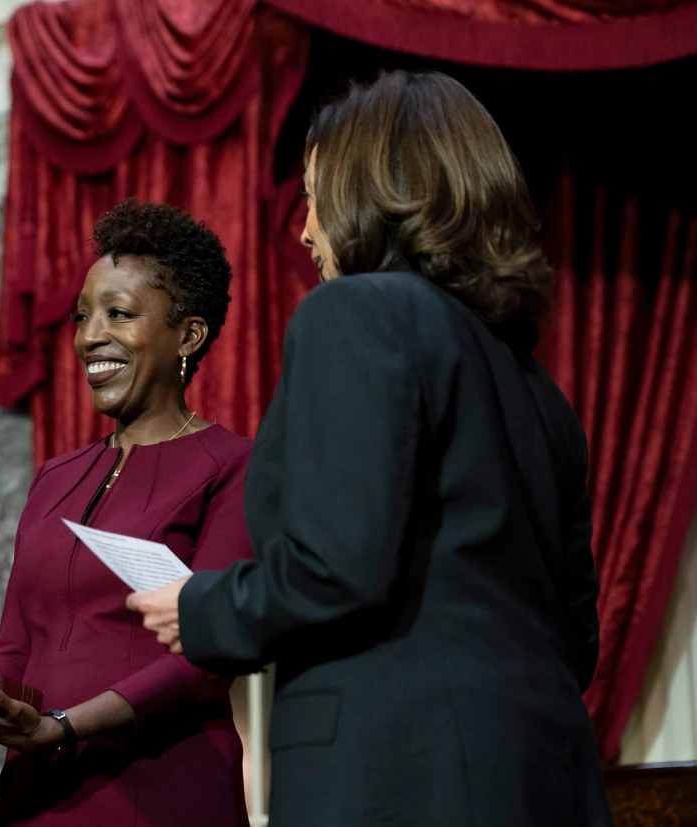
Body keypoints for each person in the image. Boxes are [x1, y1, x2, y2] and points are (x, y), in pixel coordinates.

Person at [128, 71, 613, 827]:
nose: (305, 230)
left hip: (398, 776)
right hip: (545, 773)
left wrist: (203, 606)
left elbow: (335, 570)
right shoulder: (541, 393)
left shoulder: (354, 313)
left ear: (369, 191)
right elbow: (576, 638)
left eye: (315, 198)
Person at [0, 200, 254, 825]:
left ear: (189, 335)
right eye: (83, 316)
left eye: (119, 313)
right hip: (38, 789)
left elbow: (207, 657)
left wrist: (63, 727)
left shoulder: (234, 465)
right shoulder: (54, 476)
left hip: (161, 788)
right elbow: (14, 650)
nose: (91, 336)